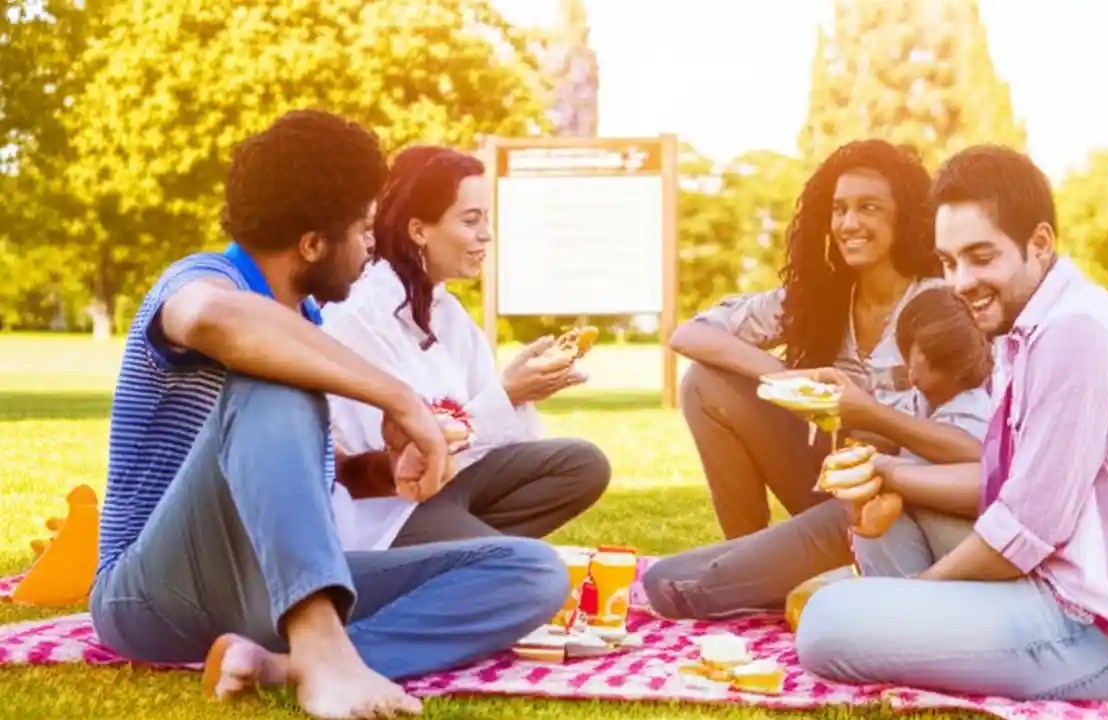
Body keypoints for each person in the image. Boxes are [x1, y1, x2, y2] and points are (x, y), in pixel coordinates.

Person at [88, 110, 568, 720]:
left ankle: (288, 663)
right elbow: (214, 320)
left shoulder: (308, 324)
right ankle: (318, 643)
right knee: (277, 377)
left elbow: (297, 473)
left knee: (530, 570)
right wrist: (399, 399)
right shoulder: (200, 278)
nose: (373, 246)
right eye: (364, 229)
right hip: (150, 595)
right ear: (313, 244)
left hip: (268, 593)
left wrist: (380, 469)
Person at [795, 145, 1108, 702]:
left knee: (826, 623)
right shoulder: (1027, 326)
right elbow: (1003, 487)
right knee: (890, 504)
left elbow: (1024, 531)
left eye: (982, 257)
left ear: (1040, 244)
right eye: (950, 261)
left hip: (1091, 627)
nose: (961, 281)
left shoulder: (1076, 335)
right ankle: (902, 624)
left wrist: (920, 599)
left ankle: (893, 621)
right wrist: (884, 482)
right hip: (1048, 587)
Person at [321, 145, 611, 551]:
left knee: (581, 463)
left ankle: (475, 558)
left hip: (455, 483)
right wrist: (506, 393)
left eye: (486, 219)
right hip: (387, 509)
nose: (486, 234)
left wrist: (521, 391)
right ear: (419, 229)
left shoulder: (448, 313)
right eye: (471, 220)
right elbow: (400, 460)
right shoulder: (359, 316)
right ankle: (477, 561)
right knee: (528, 568)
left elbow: (501, 438)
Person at [642, 286, 992, 620]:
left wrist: (872, 425)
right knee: (670, 576)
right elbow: (885, 429)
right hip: (861, 525)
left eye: (921, 363)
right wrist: (836, 405)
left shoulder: (973, 405)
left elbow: (975, 453)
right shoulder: (925, 398)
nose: (911, 372)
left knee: (673, 585)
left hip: (879, 534)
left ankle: (763, 589)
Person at [670, 139, 946, 540]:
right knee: (703, 383)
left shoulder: (937, 302)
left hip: (901, 506)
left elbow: (963, 432)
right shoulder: (822, 298)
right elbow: (689, 334)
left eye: (869, 207)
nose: (848, 224)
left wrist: (869, 415)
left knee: (686, 586)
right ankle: (744, 547)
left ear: (906, 216)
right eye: (839, 209)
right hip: (827, 488)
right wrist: (783, 374)